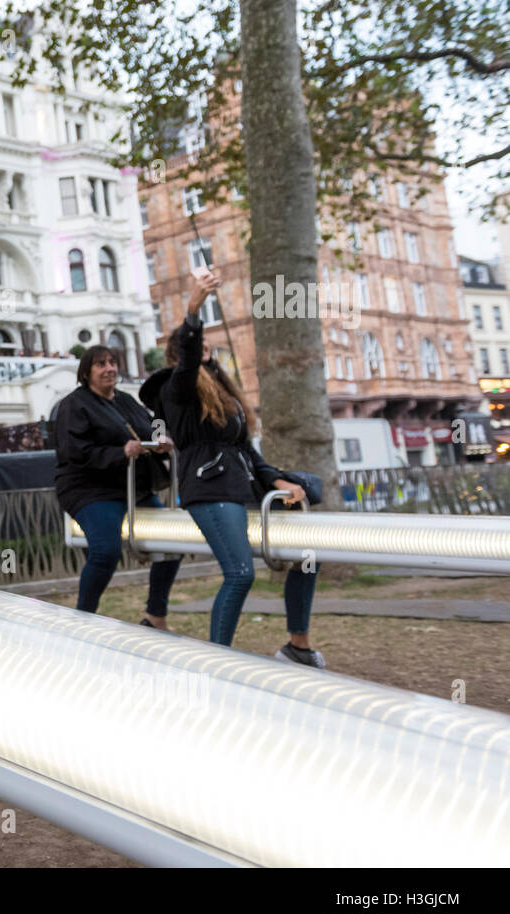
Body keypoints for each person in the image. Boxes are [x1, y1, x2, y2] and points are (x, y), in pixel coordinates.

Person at [152, 269, 325, 667]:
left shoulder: (225, 396)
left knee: (307, 553)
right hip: (210, 490)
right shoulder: (175, 389)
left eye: (208, 344)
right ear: (179, 354)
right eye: (196, 345)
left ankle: (297, 646)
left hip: (243, 488)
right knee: (239, 574)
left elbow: (248, 452)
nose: (204, 348)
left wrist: (278, 480)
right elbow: (189, 354)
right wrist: (194, 306)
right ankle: (218, 663)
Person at [54, 345, 181, 629]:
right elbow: (75, 452)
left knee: (173, 542)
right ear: (86, 373)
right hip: (90, 490)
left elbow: (150, 429)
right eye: (101, 364)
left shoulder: (126, 400)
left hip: (133, 488)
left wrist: (162, 442)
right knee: (105, 550)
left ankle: (155, 616)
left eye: (112, 362)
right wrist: (119, 452)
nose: (109, 368)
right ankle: (83, 621)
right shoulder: (74, 405)